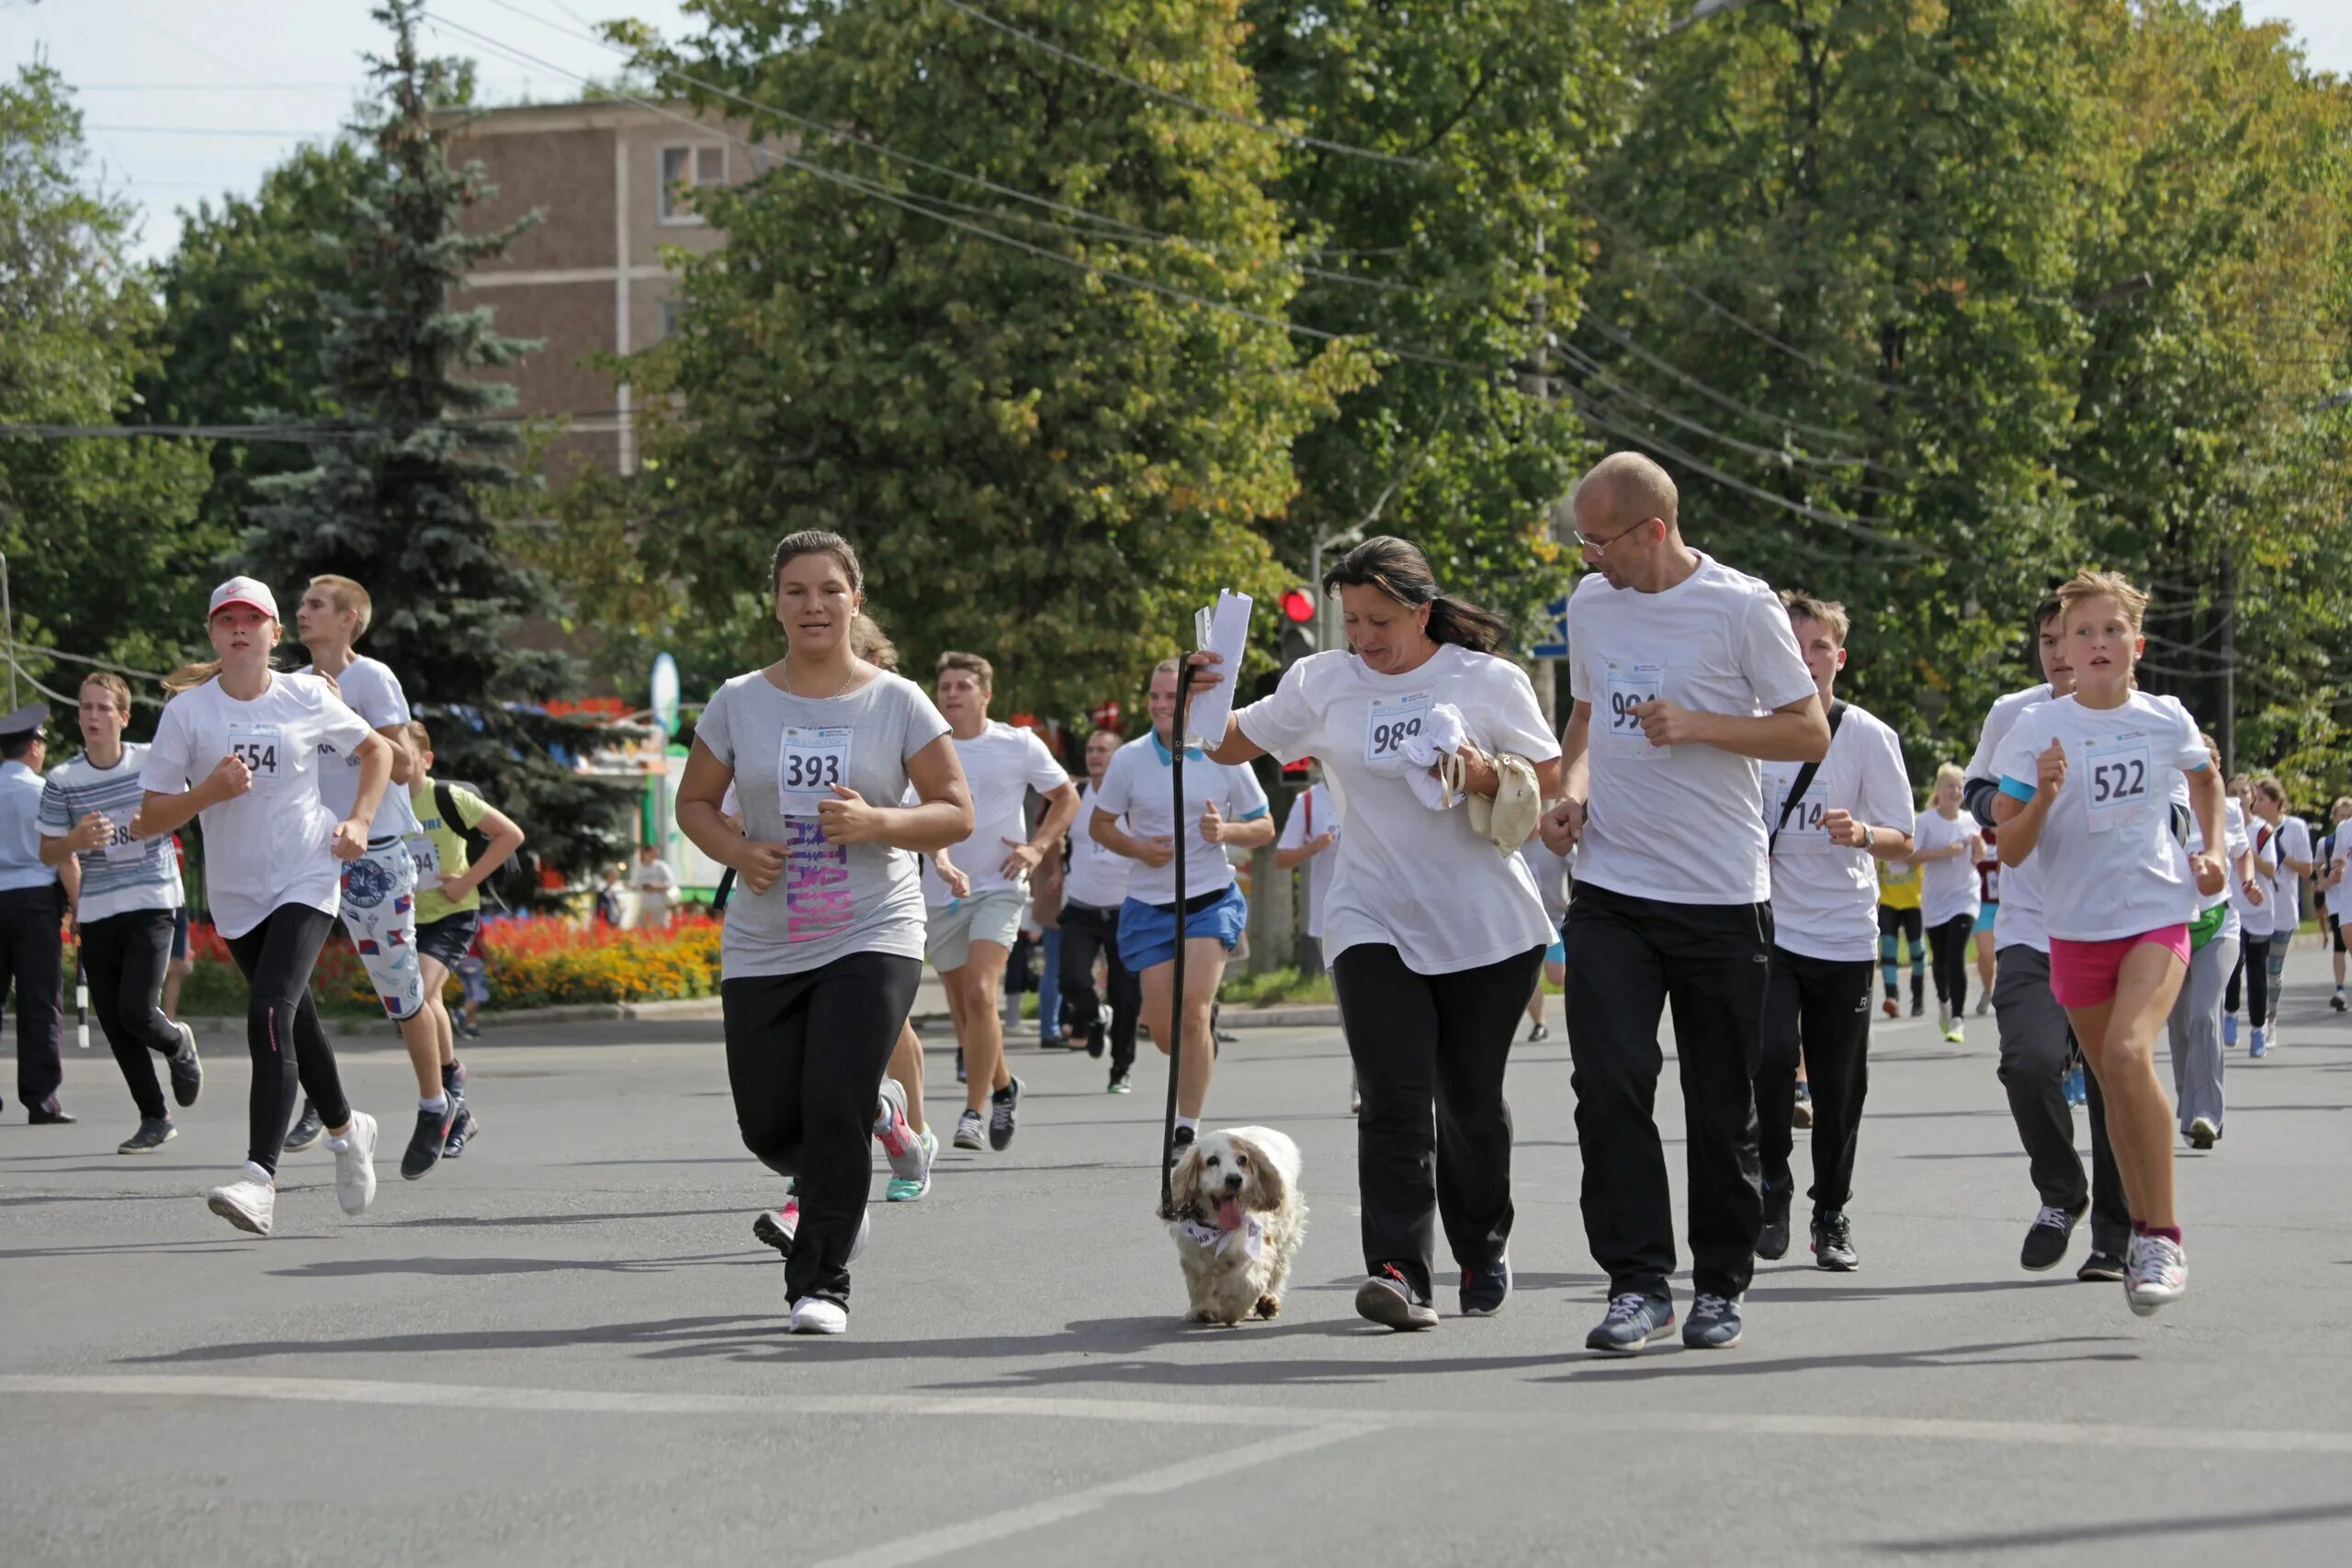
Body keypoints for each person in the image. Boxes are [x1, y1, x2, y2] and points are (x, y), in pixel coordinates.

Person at [1192, 534, 1564, 1331]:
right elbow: (1226, 742)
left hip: (1485, 926)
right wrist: (1205, 689)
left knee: (1468, 1100)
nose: (1361, 638)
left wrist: (1475, 769)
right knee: (1391, 1095)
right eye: (1350, 619)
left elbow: (1552, 778)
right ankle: (1398, 1271)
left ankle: (1481, 1244)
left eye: (1378, 621)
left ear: (1422, 611)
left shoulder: (1487, 680)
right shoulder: (1319, 681)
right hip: (1369, 914)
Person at [1538, 452, 1828, 1355]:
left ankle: (1718, 1286)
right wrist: (1572, 789)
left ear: (1651, 530)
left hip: (1718, 894)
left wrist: (1699, 724)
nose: (1589, 559)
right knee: (1609, 1084)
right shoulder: (1592, 605)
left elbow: (1806, 726)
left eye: (1597, 540)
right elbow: (1585, 715)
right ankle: (1636, 1282)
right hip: (1613, 892)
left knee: (1721, 1104)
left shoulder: (1741, 609)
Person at [676, 531, 973, 1335]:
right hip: (768, 935)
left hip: (871, 928)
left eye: (830, 590)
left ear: (855, 600)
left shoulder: (898, 701)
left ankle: (822, 1281)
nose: (814, 604)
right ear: (775, 602)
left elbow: (955, 808)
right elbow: (695, 803)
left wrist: (879, 819)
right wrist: (738, 849)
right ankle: (872, 1123)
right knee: (770, 1121)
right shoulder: (740, 699)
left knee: (832, 1101)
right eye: (797, 590)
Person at [1993, 570, 2224, 1315]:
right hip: (2075, 929)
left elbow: (2207, 781)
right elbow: (2013, 847)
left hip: (2155, 912)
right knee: (2116, 1090)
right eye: (2080, 632)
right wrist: (2046, 793)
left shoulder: (2166, 719)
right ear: (2062, 644)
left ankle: (2162, 1235)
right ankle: (2134, 1241)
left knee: (2128, 1054)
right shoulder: (2034, 731)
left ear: (2137, 644)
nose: (2094, 644)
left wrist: (2215, 850)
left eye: (2110, 630)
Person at [133, 576, 391, 1235]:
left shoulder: (305, 695)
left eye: (254, 618)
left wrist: (359, 820)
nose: (240, 628)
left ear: (275, 633)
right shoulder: (188, 714)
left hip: (308, 871)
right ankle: (346, 1126)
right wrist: (208, 791)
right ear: (214, 635)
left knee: (268, 1011)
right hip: (237, 893)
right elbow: (148, 818)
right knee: (296, 1021)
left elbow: (378, 750)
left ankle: (259, 1177)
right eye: (227, 619)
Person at [1962, 594, 2130, 1281]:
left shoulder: (2138, 716)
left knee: (2113, 1076)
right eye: (2048, 638)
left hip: (2114, 923)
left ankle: (2116, 1238)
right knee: (2028, 1061)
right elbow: (1977, 790)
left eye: (2075, 636)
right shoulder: (2017, 714)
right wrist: (2012, 801)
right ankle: (2062, 1192)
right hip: (2031, 926)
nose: (2061, 651)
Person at [1754, 592, 1915, 1273]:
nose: (1806, 657)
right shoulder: (1754, 733)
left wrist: (1861, 834)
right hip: (1770, 929)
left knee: (1839, 1085)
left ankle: (1831, 1210)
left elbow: (1904, 839)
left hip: (1845, 935)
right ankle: (1773, 1190)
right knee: (1764, 1056)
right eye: (1794, 644)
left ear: (1838, 659)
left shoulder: (1869, 736)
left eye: (1819, 646)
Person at [291, 575, 461, 1181]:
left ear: (349, 620)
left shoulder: (372, 678)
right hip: (314, 850)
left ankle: (436, 1103)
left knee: (401, 992)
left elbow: (403, 767)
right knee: (284, 981)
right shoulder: (295, 685)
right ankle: (322, 1103)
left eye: (315, 605)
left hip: (376, 852)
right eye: (302, 604)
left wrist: (339, 713)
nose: (301, 612)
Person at [1091, 659, 1275, 1145]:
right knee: (1166, 1033)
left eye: (1171, 697)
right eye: (1154, 696)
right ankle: (1197, 1027)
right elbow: (1100, 825)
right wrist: (1137, 848)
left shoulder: (1223, 754)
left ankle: (1186, 1130)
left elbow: (1264, 826)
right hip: (1150, 906)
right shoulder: (1129, 759)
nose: (1160, 705)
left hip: (1210, 899)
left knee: (1193, 1012)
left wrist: (1226, 831)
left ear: (1194, 702)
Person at [38, 674, 202, 1151]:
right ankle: (155, 1117)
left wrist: (153, 820)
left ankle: (177, 1043)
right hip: (98, 907)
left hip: (152, 898)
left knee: (136, 1008)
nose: (92, 717)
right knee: (114, 1020)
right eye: (85, 708)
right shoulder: (63, 779)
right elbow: (48, 851)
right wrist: (75, 842)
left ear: (123, 717)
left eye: (103, 709)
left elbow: (188, 807)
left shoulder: (151, 762)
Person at [922, 652, 1077, 1155]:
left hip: (999, 886)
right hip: (940, 892)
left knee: (981, 992)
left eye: (963, 685)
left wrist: (1036, 848)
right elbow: (920, 815)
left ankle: (973, 1114)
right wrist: (940, 861)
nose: (951, 694)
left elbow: (1066, 797)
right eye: (945, 686)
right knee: (967, 1013)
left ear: (986, 694)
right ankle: (1005, 1086)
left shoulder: (1017, 743)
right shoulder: (924, 748)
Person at [404, 719, 526, 1158]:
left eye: (405, 755)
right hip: (405, 919)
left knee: (421, 990)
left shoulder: (446, 797)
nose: (398, 764)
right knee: (418, 1004)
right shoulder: (381, 800)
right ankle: (457, 1105)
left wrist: (466, 881)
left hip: (454, 912)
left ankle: (449, 1089)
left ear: (426, 759)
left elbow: (510, 835)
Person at [2166, 731, 2254, 1151]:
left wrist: (2248, 879)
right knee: (2179, 1025)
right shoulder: (2166, 807)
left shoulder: (2229, 810)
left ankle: (2209, 1114)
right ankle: (2189, 1112)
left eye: (2207, 764)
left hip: (2219, 926)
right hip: (2172, 927)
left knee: (2205, 1014)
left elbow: (2241, 853)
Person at [1, 701, 74, 1124]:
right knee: (40, 1002)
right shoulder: (44, 791)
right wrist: (79, 906)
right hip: (35, 903)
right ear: (33, 747)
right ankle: (40, 1099)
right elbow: (64, 856)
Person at [1058, 726, 1143, 1090]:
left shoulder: (1133, 798)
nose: (1094, 755)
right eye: (1091, 749)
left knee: (1127, 996)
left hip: (1127, 908)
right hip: (1081, 906)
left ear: (1118, 757)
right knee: (1072, 979)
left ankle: (1120, 1067)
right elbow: (1054, 840)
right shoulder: (1075, 796)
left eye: (1103, 750)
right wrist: (1049, 876)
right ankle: (1095, 1016)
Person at [1914, 763, 1984, 1044]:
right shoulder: (1926, 821)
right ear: (1938, 791)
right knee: (1940, 960)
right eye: (1950, 786)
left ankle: (1958, 1018)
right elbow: (1912, 856)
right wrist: (1946, 852)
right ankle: (1943, 1002)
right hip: (1935, 899)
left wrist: (1978, 848)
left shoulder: (1970, 821)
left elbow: (1978, 858)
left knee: (1956, 955)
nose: (1955, 791)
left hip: (1965, 895)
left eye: (1959, 786)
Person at [2246, 777, 2311, 1056]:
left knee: (2273, 972)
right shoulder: (2251, 829)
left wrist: (2281, 857)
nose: (2255, 803)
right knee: (2254, 970)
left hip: (2283, 911)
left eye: (2260, 798)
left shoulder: (2295, 827)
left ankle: (2271, 1020)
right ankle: (2257, 1023)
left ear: (2275, 802)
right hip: (2257, 911)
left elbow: (2308, 869)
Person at [1516, 834, 1569, 1043]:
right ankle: (1540, 1023)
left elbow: (1579, 866)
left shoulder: (1551, 840)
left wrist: (1574, 898)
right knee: (1529, 977)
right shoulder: (1512, 843)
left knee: (1557, 977)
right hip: (1527, 924)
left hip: (1556, 920)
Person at [1876, 855, 1927, 1019]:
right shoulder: (1881, 839)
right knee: (1888, 947)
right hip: (1888, 901)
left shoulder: (1913, 838)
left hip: (1914, 902)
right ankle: (1892, 998)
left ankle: (1918, 997)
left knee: (1917, 950)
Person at [1972, 825, 2001, 1014]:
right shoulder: (1977, 832)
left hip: (2009, 902)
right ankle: (1988, 989)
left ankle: (2005, 991)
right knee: (1986, 952)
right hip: (1983, 902)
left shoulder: (2014, 825)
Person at [2327, 797, 2352, 1011]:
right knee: (2347, 939)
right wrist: (2338, 868)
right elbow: (2340, 859)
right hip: (2348, 896)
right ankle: (2341, 989)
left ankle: (2341, 989)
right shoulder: (2345, 829)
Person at [630, 843, 678, 929]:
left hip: (659, 904)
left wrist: (656, 887)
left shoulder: (661, 866)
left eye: (654, 853)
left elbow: (670, 882)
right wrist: (644, 887)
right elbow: (636, 884)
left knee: (660, 928)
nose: (652, 855)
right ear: (644, 853)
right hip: (644, 904)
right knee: (642, 928)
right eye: (649, 852)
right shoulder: (639, 868)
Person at [595, 863, 627, 928]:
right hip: (606, 923)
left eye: (616, 876)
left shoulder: (614, 889)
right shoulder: (602, 890)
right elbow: (601, 909)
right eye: (613, 875)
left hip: (614, 922)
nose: (615, 878)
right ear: (608, 876)